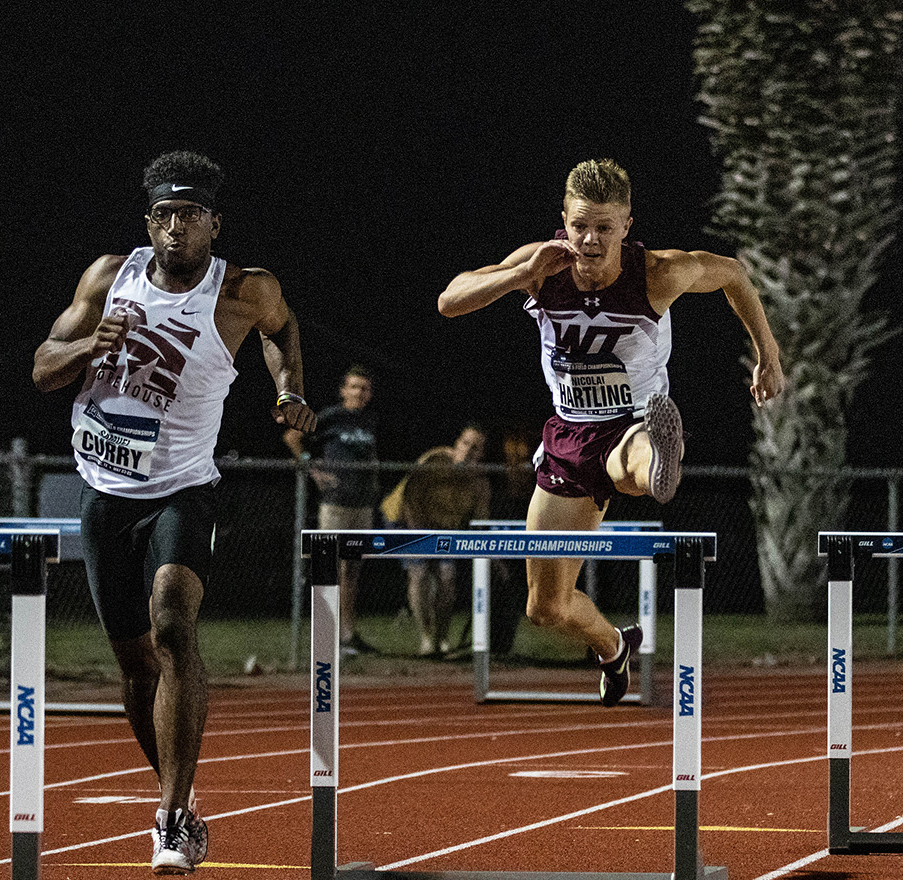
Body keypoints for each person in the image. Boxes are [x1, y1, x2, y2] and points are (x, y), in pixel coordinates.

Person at [31, 150, 316, 874]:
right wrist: (82, 347)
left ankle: (171, 816)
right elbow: (41, 368)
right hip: (104, 492)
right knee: (133, 669)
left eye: (190, 215)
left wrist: (288, 391)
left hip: (182, 489)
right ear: (149, 222)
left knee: (171, 624)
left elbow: (283, 333)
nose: (176, 227)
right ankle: (178, 799)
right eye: (164, 215)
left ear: (214, 224)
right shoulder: (108, 277)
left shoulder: (244, 291)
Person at [438, 158, 783, 705]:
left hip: (634, 422)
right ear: (564, 220)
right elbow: (450, 301)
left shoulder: (659, 272)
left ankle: (658, 463)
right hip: (568, 435)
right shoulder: (540, 264)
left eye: (604, 227)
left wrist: (769, 355)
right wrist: (523, 275)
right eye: (579, 226)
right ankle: (613, 645)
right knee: (544, 608)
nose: (590, 240)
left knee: (633, 462)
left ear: (626, 225)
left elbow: (735, 275)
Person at [284, 366, 381, 657]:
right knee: (331, 569)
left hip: (362, 504)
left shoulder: (370, 420)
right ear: (343, 390)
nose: (359, 393)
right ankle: (328, 635)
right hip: (335, 502)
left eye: (364, 388)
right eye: (354, 387)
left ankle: (348, 634)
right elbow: (292, 437)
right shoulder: (331, 417)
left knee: (352, 572)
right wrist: (312, 469)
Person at [380, 424, 492, 656]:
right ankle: (426, 638)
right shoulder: (434, 461)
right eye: (465, 443)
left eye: (476, 448)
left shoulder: (480, 484)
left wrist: (493, 556)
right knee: (419, 574)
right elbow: (411, 503)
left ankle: (442, 637)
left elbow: (480, 525)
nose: (468, 451)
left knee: (447, 577)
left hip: (443, 528)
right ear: (456, 443)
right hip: (405, 519)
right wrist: (422, 543)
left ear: (481, 454)